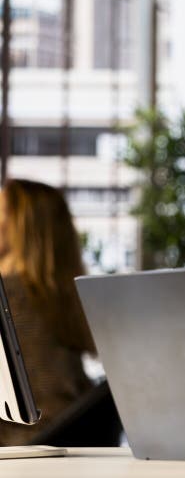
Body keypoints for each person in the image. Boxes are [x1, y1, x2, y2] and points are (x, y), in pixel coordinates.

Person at [0, 179, 96, 445]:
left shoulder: (9, 297)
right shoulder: (65, 298)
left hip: (19, 450)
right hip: (72, 442)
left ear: (20, 227)